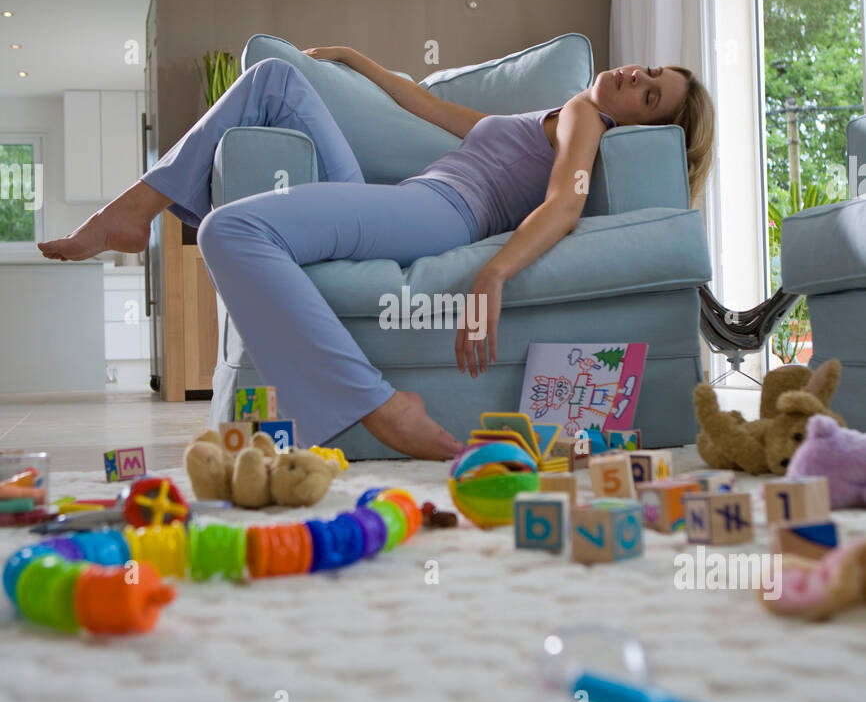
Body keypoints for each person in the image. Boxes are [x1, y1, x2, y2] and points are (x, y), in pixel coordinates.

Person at [39, 49, 714, 459]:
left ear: (638, 126)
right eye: (648, 71)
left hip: (437, 214)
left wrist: (494, 271)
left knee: (228, 231)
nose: (635, 77)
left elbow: (566, 202)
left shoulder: (584, 120)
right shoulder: (554, 112)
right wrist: (355, 62)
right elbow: (426, 103)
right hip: (408, 198)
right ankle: (136, 209)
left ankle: (377, 407)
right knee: (274, 79)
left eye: (649, 95)